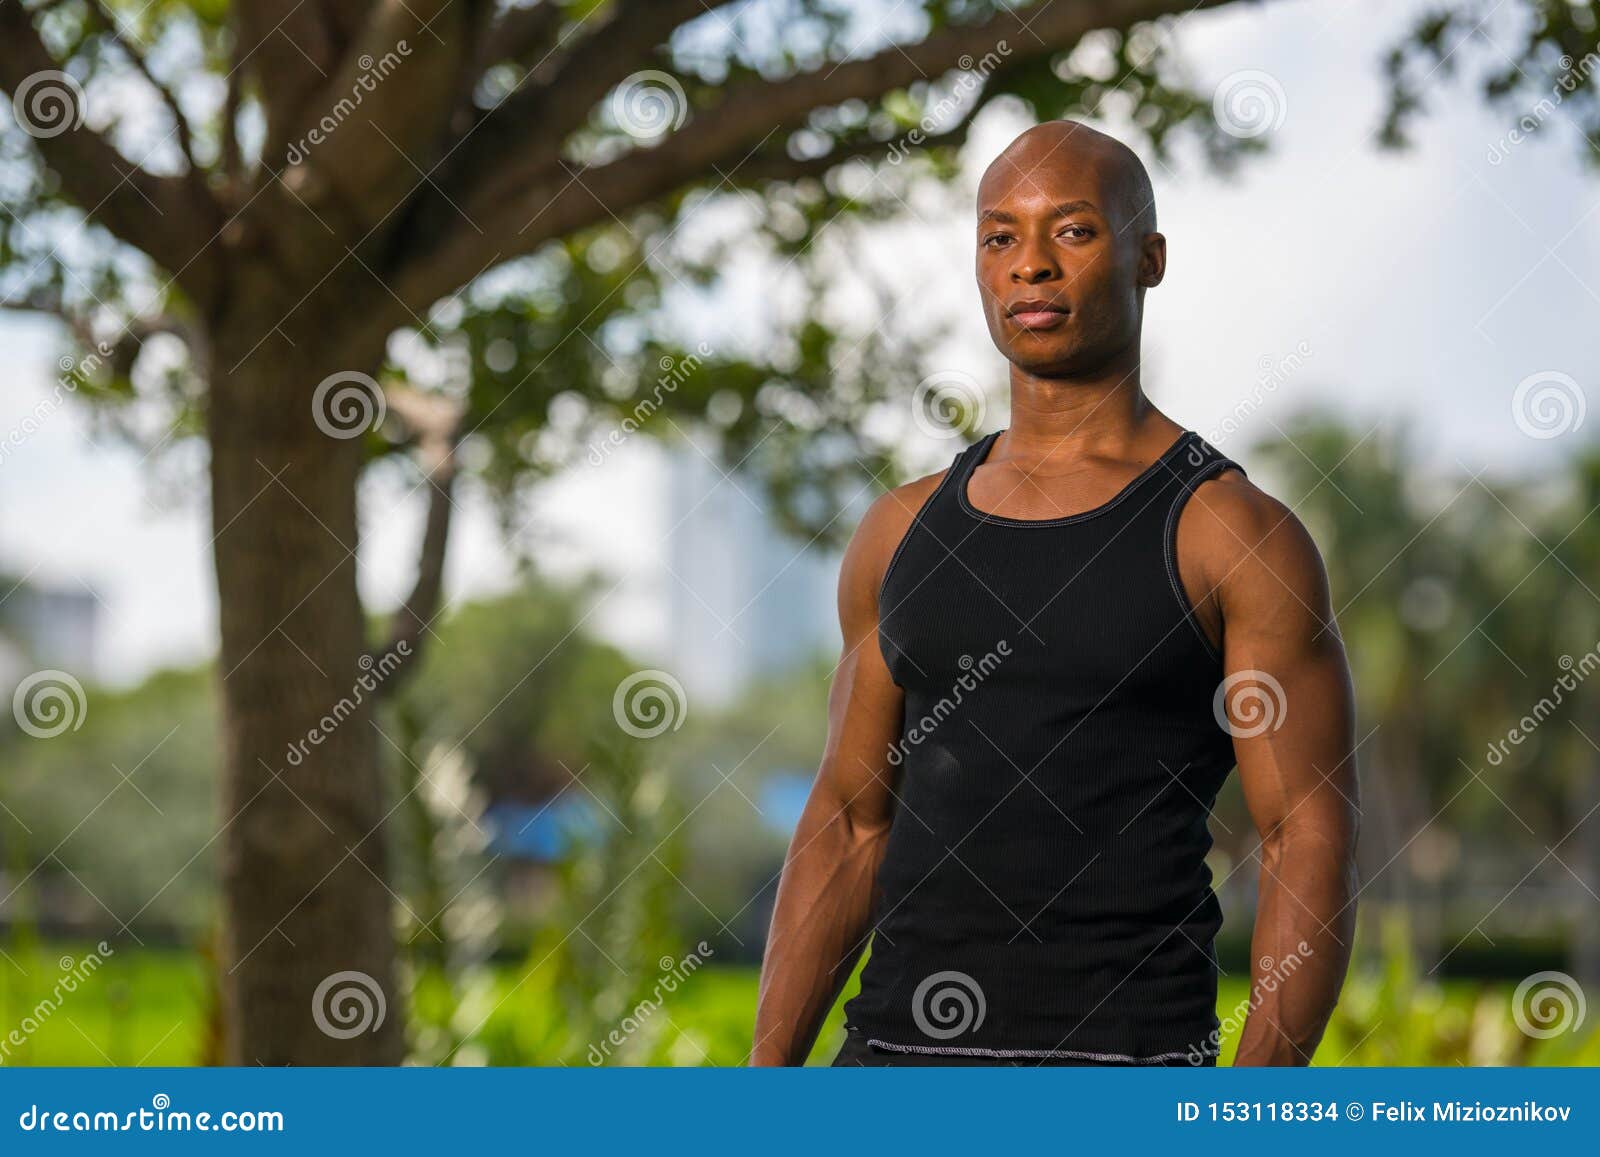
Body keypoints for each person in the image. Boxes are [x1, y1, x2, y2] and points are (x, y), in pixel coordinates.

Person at [751, 120, 1359, 1067]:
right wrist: (765, 1087)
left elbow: (1304, 837)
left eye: (1072, 231)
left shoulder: (1231, 533)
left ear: (1147, 258)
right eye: (1001, 237)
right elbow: (848, 819)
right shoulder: (901, 532)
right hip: (887, 1069)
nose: (1030, 265)